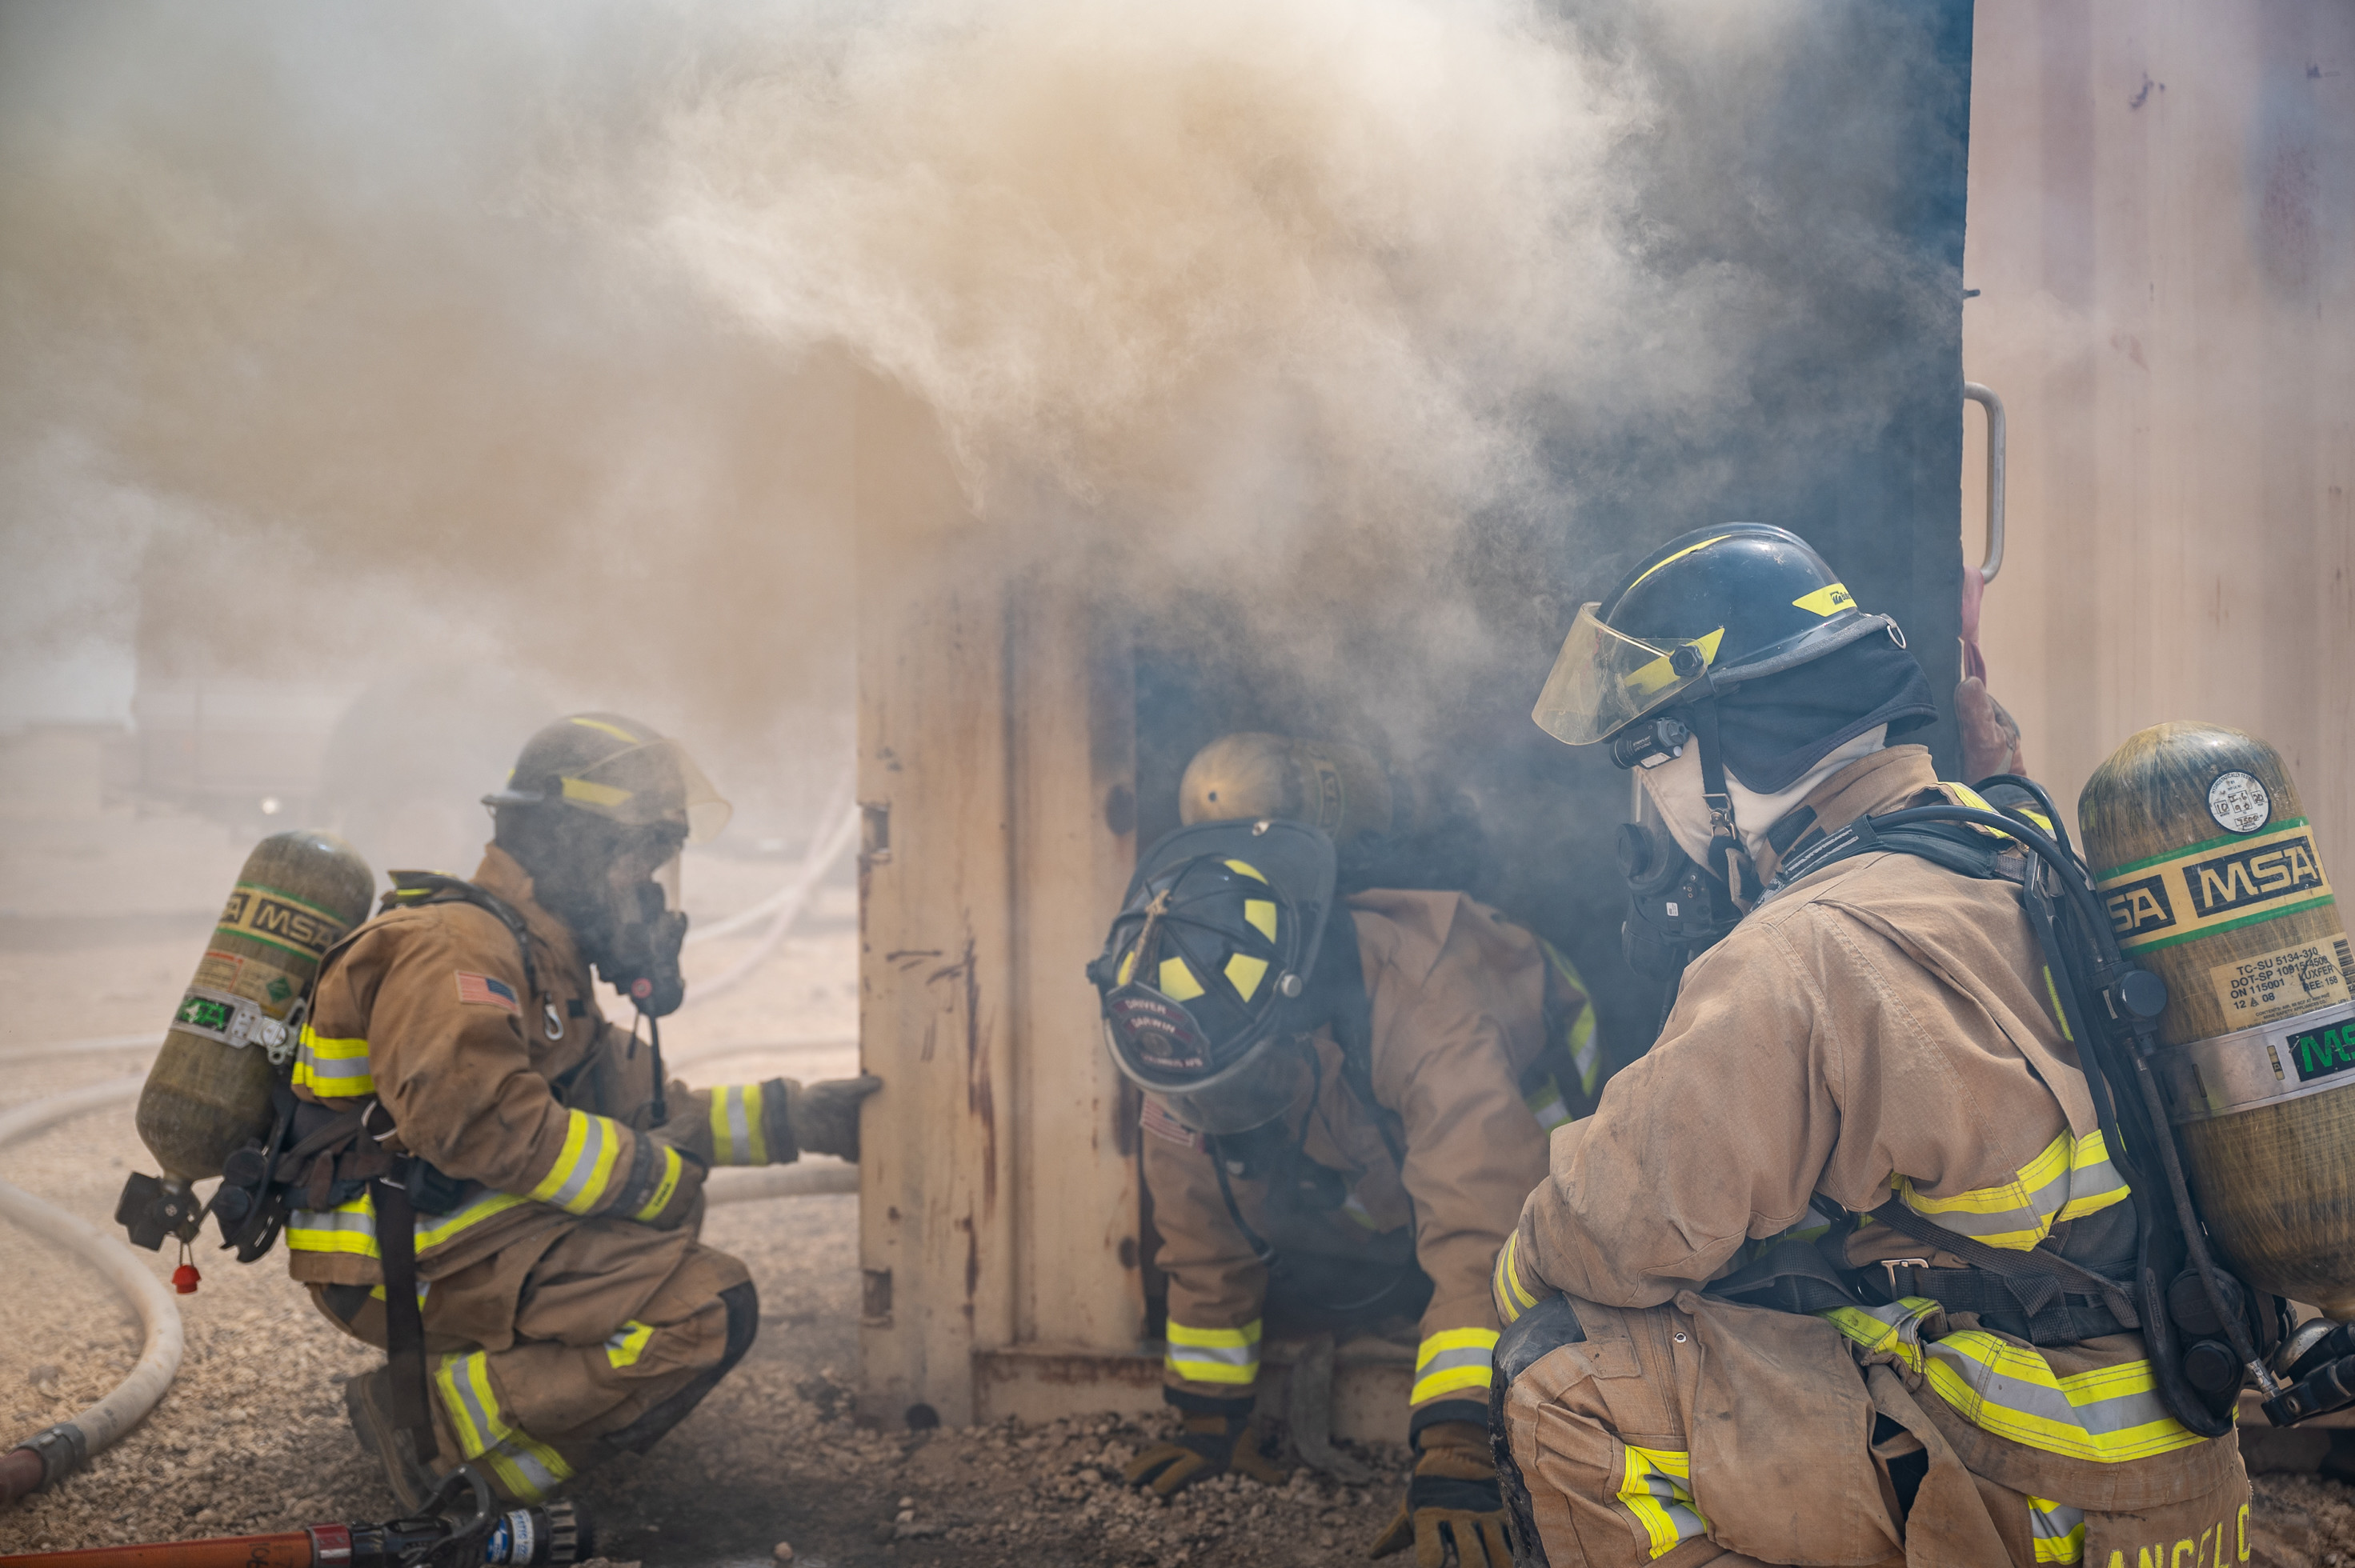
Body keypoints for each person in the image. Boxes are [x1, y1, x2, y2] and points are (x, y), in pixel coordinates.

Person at [1492, 526, 2249, 1566]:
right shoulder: (2000, 842)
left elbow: (1621, 1227)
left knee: (1562, 1373)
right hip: (2181, 1485)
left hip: (2042, 1490)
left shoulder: (1802, 946)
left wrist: (1517, 1261)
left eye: (1649, 749)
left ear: (1721, 745)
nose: (1650, 787)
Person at [278, 713, 880, 1509]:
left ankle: (485, 1419)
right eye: (636, 859)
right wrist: (649, 1179)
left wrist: (798, 1119)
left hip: (452, 1228)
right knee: (704, 1307)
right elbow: (483, 1121)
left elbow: (645, 1110)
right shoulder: (460, 949)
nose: (648, 888)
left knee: (673, 1214)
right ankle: (433, 1426)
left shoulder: (542, 956)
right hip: (404, 1253)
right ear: (573, 844)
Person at [1089, 735, 1600, 1568]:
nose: (1205, 1117)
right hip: (1382, 1133)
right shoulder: (1183, 1012)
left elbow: (1485, 1237)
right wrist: (1208, 1410)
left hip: (1540, 1124)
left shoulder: (1430, 1003)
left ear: (1296, 1022)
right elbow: (1196, 1216)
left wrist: (1461, 1445)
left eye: (1230, 1092)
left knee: (1526, 1229)